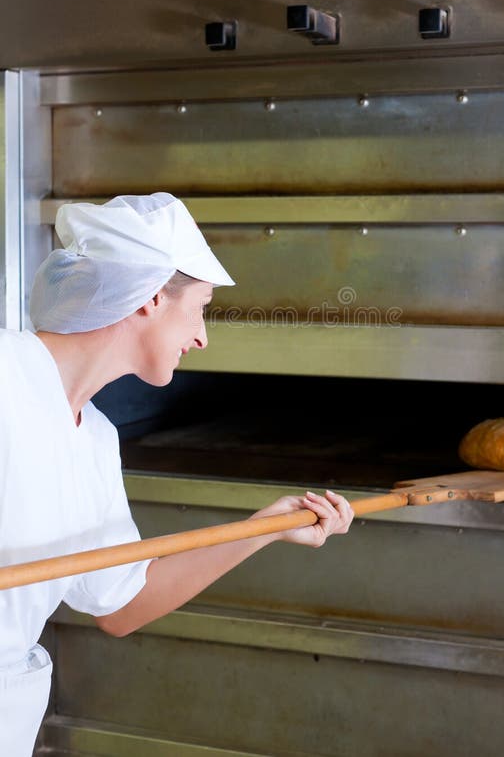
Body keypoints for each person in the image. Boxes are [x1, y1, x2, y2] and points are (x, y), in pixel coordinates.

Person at [0, 192, 354, 756]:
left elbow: (120, 605)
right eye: (202, 306)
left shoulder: (93, 437)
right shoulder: (5, 373)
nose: (202, 337)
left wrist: (263, 529)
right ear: (152, 298)